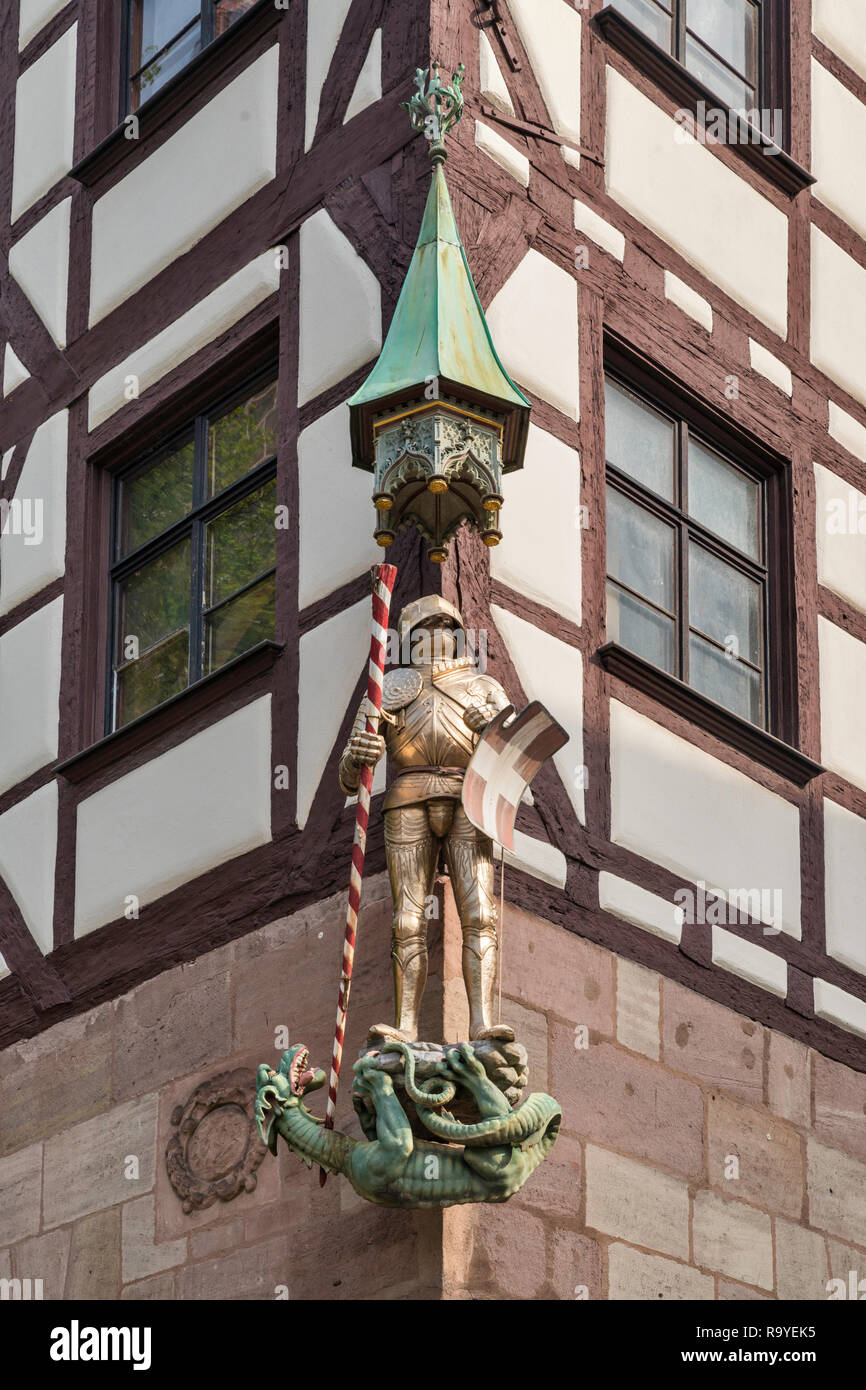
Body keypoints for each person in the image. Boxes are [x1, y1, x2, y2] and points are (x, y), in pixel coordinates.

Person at [339, 595, 515, 1045]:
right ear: (411, 638)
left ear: (456, 635)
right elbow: (347, 774)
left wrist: (492, 730)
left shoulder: (484, 687)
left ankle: (480, 1022)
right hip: (408, 797)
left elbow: (516, 766)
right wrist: (361, 754)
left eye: (443, 627)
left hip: (467, 799)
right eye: (425, 629)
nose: (435, 636)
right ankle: (406, 1026)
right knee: (407, 920)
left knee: (480, 914)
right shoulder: (388, 687)